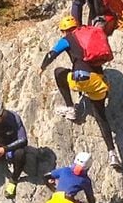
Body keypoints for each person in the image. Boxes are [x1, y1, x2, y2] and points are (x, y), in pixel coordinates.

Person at [40, 15, 116, 152]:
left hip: (82, 80)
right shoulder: (88, 35)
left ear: (64, 30)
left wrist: (42, 67)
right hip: (99, 82)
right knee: (101, 117)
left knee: (59, 72)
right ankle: (112, 152)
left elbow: (52, 54)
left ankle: (70, 108)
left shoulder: (67, 38)